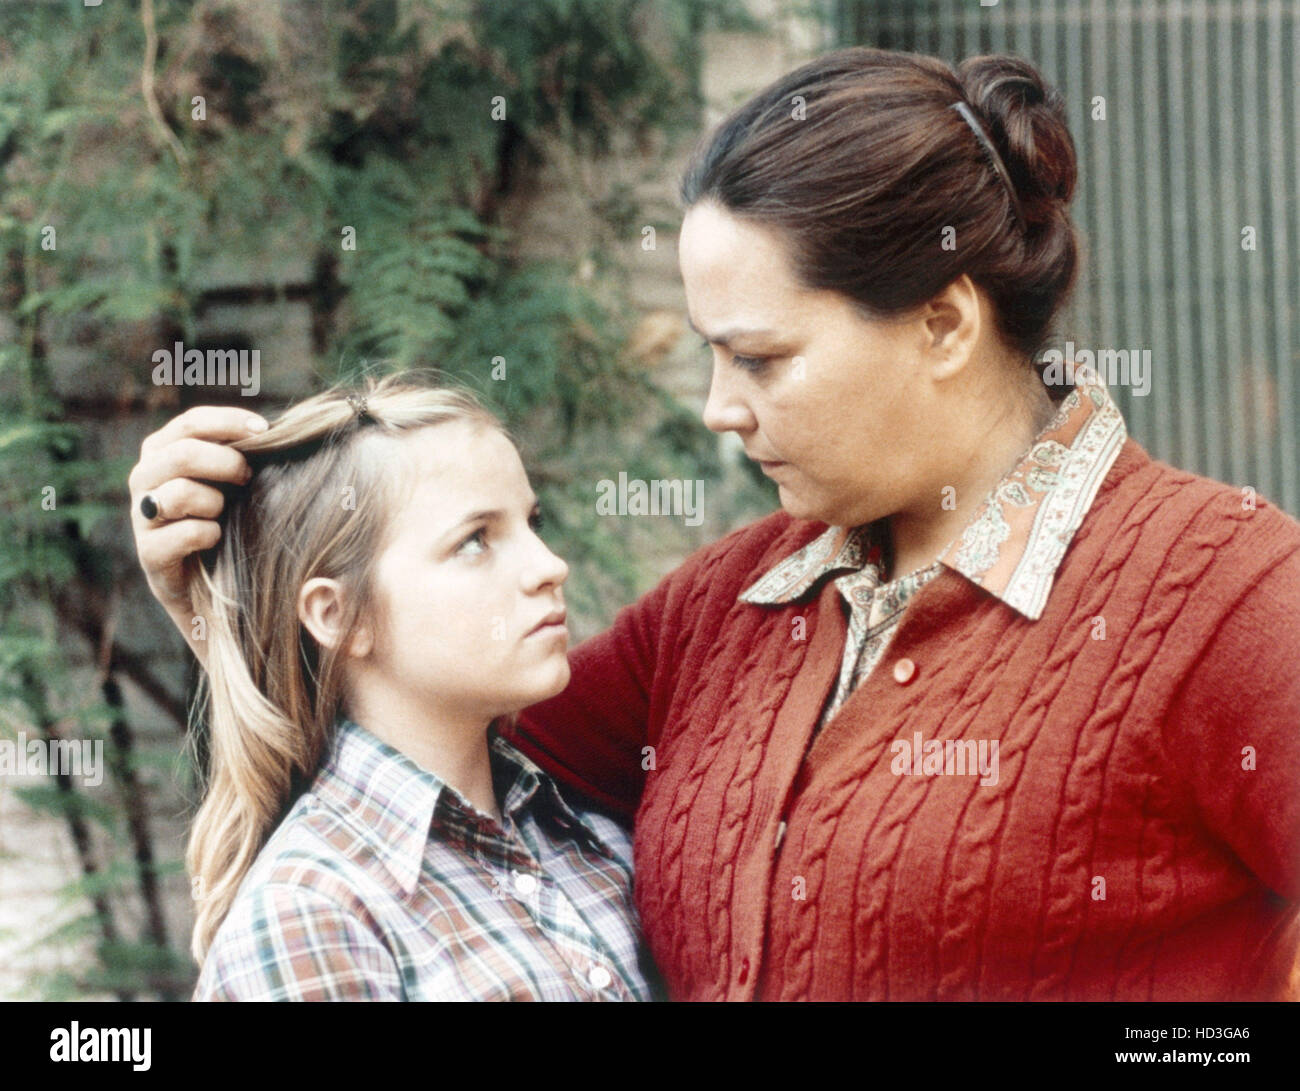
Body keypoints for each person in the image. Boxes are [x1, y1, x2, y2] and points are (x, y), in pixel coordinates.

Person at [129, 48, 1300, 1001]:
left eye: (760, 357)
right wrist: (235, 587)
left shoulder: (1230, 597)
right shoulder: (724, 609)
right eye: (708, 352)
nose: (717, 406)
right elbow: (425, 763)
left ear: (943, 323)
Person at [161, 376, 653, 1001]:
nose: (549, 565)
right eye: (475, 541)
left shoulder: (586, 836)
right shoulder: (310, 920)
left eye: (534, 522)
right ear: (341, 618)